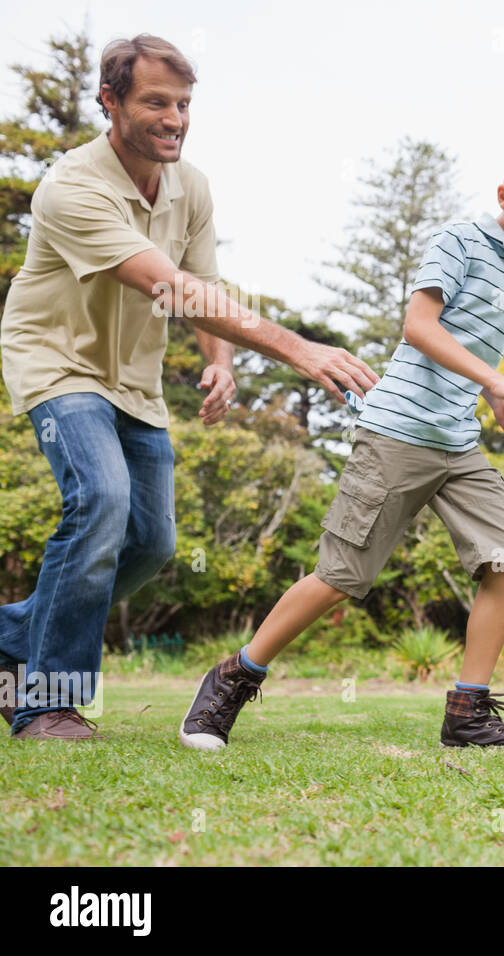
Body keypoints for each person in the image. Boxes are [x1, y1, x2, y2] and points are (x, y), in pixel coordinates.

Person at [0, 34, 378, 741]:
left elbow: (201, 285)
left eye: (183, 103)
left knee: (151, 542)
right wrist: (297, 349)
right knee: (101, 499)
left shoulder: (191, 186)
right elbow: (166, 283)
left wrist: (222, 361)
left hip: (134, 379)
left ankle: (11, 637)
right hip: (56, 363)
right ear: (110, 101)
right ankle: (47, 700)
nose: (174, 118)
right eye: (155, 102)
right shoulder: (71, 188)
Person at [179, 133, 504, 753]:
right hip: (396, 431)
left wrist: (495, 395)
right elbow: (419, 328)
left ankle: (467, 714)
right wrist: (500, 381)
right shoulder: (460, 242)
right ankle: (231, 678)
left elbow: (473, 352)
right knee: (341, 575)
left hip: (457, 442)